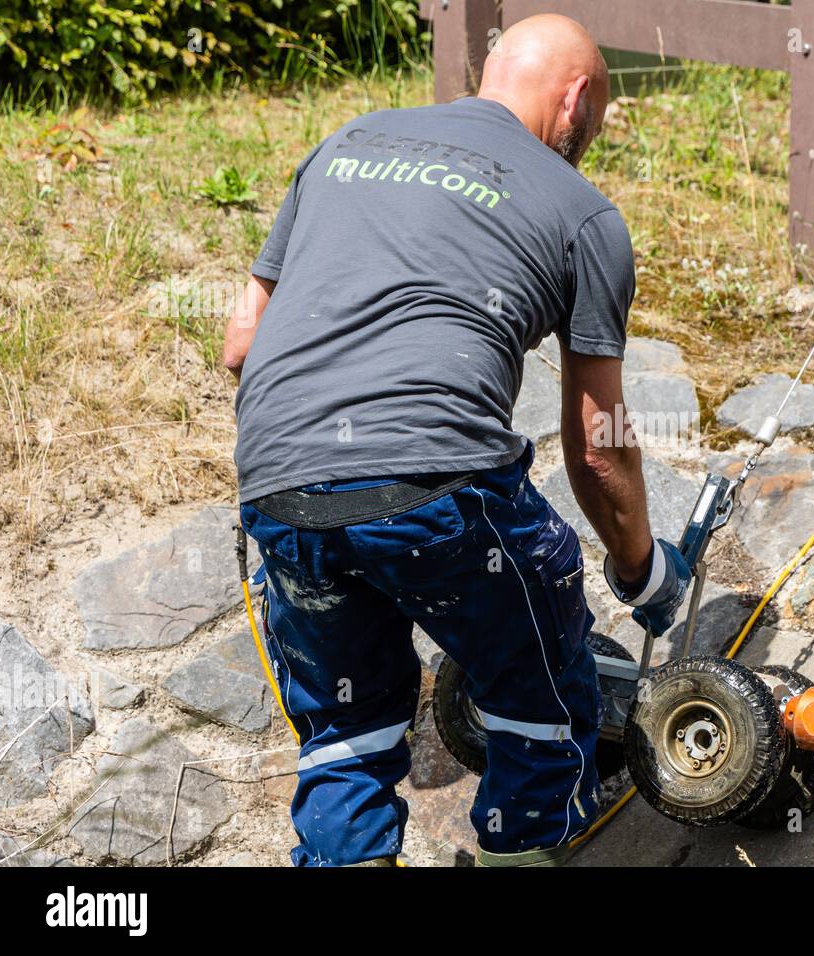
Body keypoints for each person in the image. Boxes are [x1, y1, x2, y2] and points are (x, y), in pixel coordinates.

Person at [222, 14, 690, 867]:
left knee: (345, 734)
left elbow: (241, 344)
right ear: (578, 99)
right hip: (438, 489)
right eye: (596, 120)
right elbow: (599, 440)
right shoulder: (584, 213)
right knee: (539, 699)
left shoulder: (347, 142)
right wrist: (642, 567)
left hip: (279, 490)